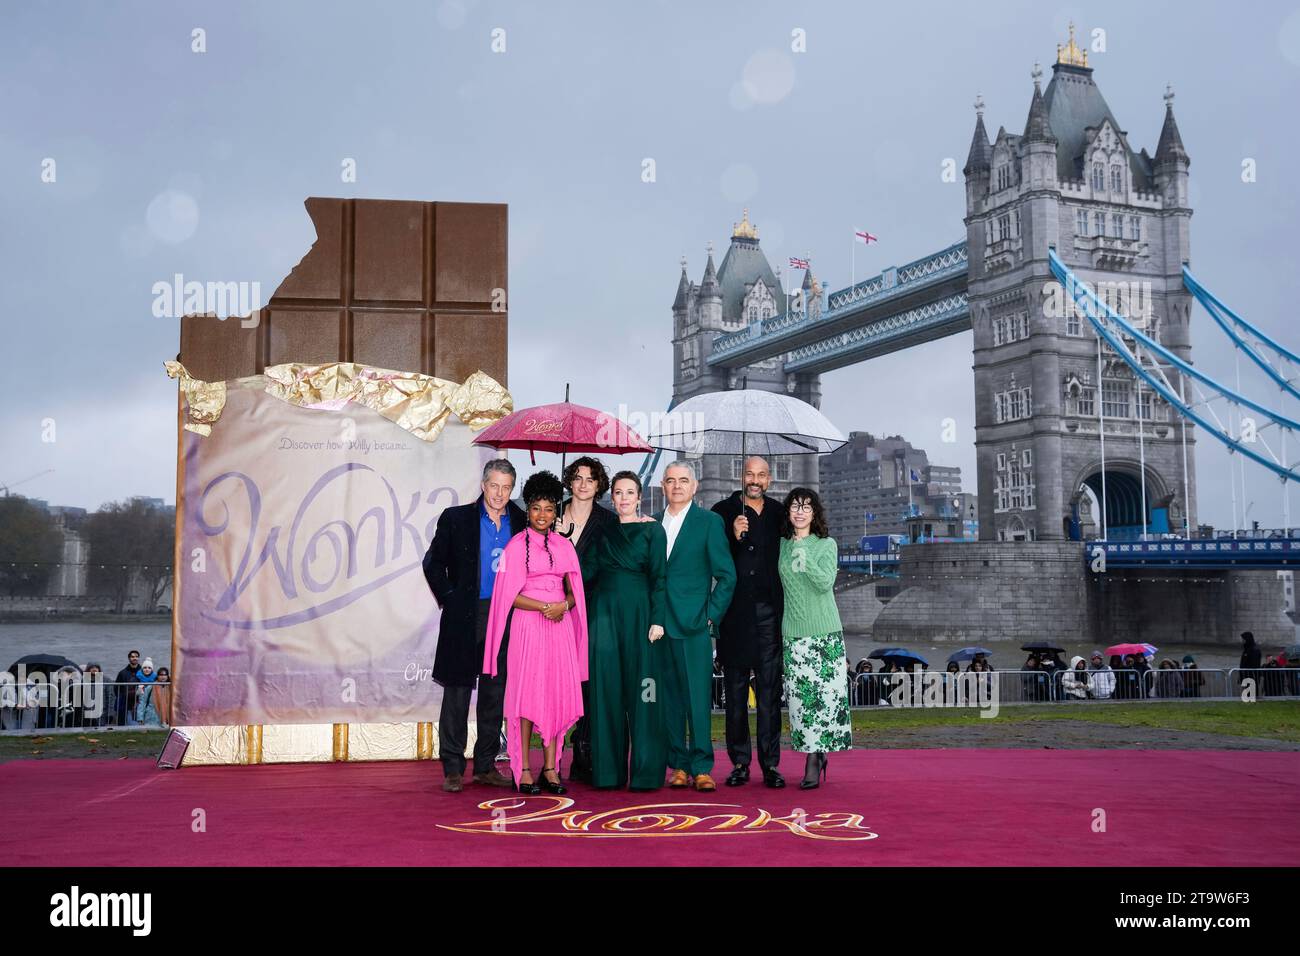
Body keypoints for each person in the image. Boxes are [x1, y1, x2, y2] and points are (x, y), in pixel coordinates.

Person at [422, 459, 527, 793]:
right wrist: (450, 598)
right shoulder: (456, 519)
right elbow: (433, 563)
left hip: (506, 614)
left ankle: (485, 766)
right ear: (483, 485)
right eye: (494, 485)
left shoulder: (523, 522)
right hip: (466, 615)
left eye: (506, 487)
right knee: (457, 691)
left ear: (513, 489)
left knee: (494, 693)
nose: (499, 493)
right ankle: (452, 768)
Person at [483, 471, 588, 795]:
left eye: (548, 509)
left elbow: (575, 592)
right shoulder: (515, 547)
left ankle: (551, 768)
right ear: (527, 510)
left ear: (556, 511)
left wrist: (564, 605)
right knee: (528, 695)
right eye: (536, 508)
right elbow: (507, 596)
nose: (542, 515)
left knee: (555, 695)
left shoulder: (565, 546)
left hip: (559, 630)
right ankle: (525, 768)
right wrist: (544, 607)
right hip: (529, 627)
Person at [580, 470, 669, 790]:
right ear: (612, 496)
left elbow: (660, 578)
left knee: (645, 693)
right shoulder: (602, 532)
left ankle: (646, 774)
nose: (624, 498)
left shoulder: (653, 532)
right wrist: (563, 541)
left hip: (641, 617)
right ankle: (607, 773)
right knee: (606, 693)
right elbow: (583, 571)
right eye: (618, 492)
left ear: (639, 497)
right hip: (603, 618)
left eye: (630, 492)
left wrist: (658, 619)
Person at [656, 462, 736, 792]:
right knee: (670, 700)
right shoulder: (652, 524)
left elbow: (727, 576)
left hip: (694, 626)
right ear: (662, 486)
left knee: (697, 700)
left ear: (695, 486)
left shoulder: (709, 523)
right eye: (671, 481)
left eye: (683, 481)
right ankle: (678, 765)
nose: (677, 486)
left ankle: (702, 766)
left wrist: (710, 616)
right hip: (659, 626)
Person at [711, 456, 787, 789]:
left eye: (761, 475)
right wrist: (732, 534)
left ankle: (770, 764)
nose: (755, 480)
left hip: (770, 614)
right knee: (736, 694)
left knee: (770, 695)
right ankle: (740, 762)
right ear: (741, 476)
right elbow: (712, 559)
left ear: (768, 479)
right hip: (735, 616)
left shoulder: (780, 514)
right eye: (749, 474)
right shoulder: (722, 511)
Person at [776, 488, 851, 789]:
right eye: (795, 506)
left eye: (806, 507)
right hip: (793, 632)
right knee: (801, 702)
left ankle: (814, 758)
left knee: (825, 701)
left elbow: (824, 583)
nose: (800, 511)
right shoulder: (781, 545)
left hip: (824, 633)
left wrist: (803, 553)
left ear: (815, 513)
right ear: (788, 512)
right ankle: (812, 753)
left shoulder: (826, 544)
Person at [559, 456, 618, 784]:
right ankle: (551, 760)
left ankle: (584, 755)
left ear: (599, 485)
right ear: (570, 480)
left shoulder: (608, 521)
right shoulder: (550, 514)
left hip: (592, 614)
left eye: (590, 479)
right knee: (556, 686)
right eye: (578, 477)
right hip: (552, 612)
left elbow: (607, 568)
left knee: (588, 686)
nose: (583, 484)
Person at [113, 650, 141, 726]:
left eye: (136, 656)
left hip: (139, 702)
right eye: (132, 657)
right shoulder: (122, 673)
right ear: (129, 658)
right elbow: (116, 688)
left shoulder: (143, 671)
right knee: (123, 722)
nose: (134, 658)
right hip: (125, 702)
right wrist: (121, 697)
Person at [134, 659, 164, 725]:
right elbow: (142, 702)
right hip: (145, 710)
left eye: (149, 668)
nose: (147, 669)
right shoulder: (137, 678)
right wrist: (140, 718)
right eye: (145, 667)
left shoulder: (156, 680)